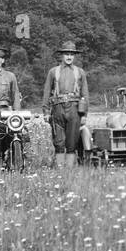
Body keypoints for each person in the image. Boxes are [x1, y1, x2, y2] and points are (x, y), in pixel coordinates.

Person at [43, 40, 89, 168]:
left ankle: (69, 169)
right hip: (57, 108)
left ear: (74, 56)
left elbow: (85, 94)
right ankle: (60, 169)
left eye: (71, 54)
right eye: (67, 54)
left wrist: (84, 114)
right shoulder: (53, 72)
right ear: (61, 56)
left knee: (72, 141)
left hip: (75, 109)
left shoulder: (80, 72)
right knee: (58, 141)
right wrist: (46, 112)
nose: (69, 57)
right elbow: (47, 92)